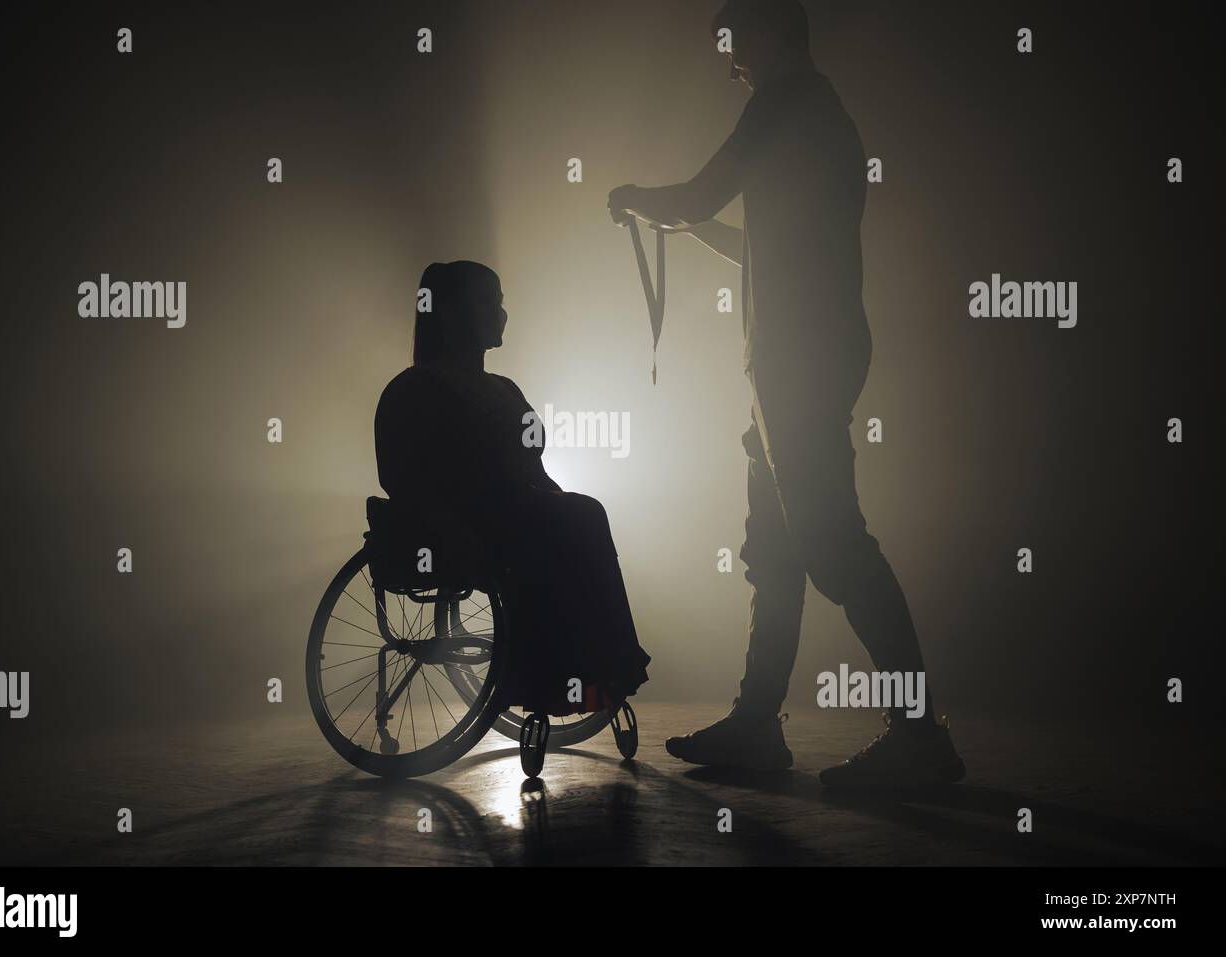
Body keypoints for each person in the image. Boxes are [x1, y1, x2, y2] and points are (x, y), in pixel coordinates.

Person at [607, 0, 963, 787]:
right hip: (803, 359)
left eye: (734, 44)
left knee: (834, 544)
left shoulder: (786, 101)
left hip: (797, 364)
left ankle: (917, 732)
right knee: (776, 551)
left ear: (770, 34)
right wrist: (689, 225)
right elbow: (759, 241)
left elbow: (704, 193)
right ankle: (758, 724)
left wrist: (636, 196)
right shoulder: (819, 114)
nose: (729, 63)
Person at [374, 260, 650, 714]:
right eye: (488, 301)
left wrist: (558, 499)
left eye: (501, 302)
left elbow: (534, 469)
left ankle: (600, 669)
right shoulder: (415, 388)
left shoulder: (504, 388)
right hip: (463, 526)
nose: (500, 313)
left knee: (580, 514)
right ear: (448, 311)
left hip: (519, 514)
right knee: (575, 519)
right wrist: (456, 532)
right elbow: (403, 479)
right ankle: (565, 677)